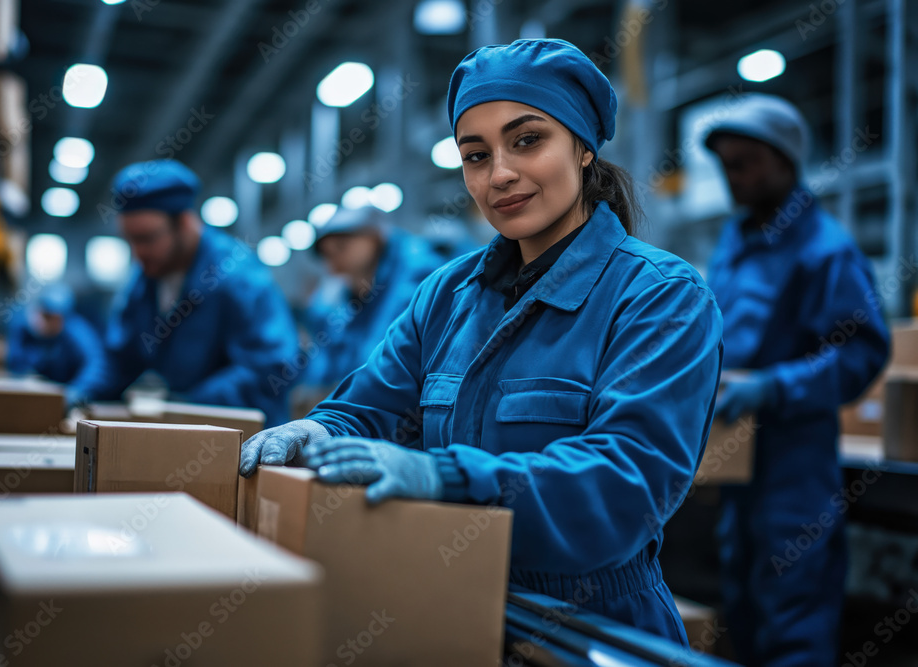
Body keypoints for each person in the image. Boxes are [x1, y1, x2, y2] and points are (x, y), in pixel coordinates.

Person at [239, 39, 724, 642]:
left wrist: (450, 479)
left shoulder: (659, 296)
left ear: (583, 148)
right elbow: (371, 408)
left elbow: (622, 488)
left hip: (593, 629)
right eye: (475, 154)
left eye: (527, 140)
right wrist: (323, 431)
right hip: (447, 605)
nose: (499, 175)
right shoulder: (446, 295)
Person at [703, 94, 889, 666]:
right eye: (726, 165)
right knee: (743, 604)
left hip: (794, 468)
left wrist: (773, 387)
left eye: (746, 164)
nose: (733, 178)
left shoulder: (825, 252)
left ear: (786, 161)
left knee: (795, 613)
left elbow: (861, 352)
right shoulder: (735, 244)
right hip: (736, 462)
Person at [81, 159, 298, 427]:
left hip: (249, 443)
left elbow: (272, 366)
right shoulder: (146, 279)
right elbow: (119, 359)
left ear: (185, 223)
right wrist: (78, 396)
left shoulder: (238, 276)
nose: (138, 253)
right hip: (186, 428)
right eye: (130, 241)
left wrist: (188, 405)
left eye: (147, 239)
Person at [300, 205, 444, 390]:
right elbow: (328, 347)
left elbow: (387, 350)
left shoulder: (416, 271)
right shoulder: (344, 288)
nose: (333, 262)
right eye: (326, 255)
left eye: (340, 247)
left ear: (374, 238)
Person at [6, 282, 105, 406]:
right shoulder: (21, 326)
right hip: (31, 396)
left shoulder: (76, 331)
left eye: (56, 318)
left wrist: (74, 394)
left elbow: (96, 364)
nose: (48, 323)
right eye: (46, 316)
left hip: (65, 392)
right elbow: (13, 364)